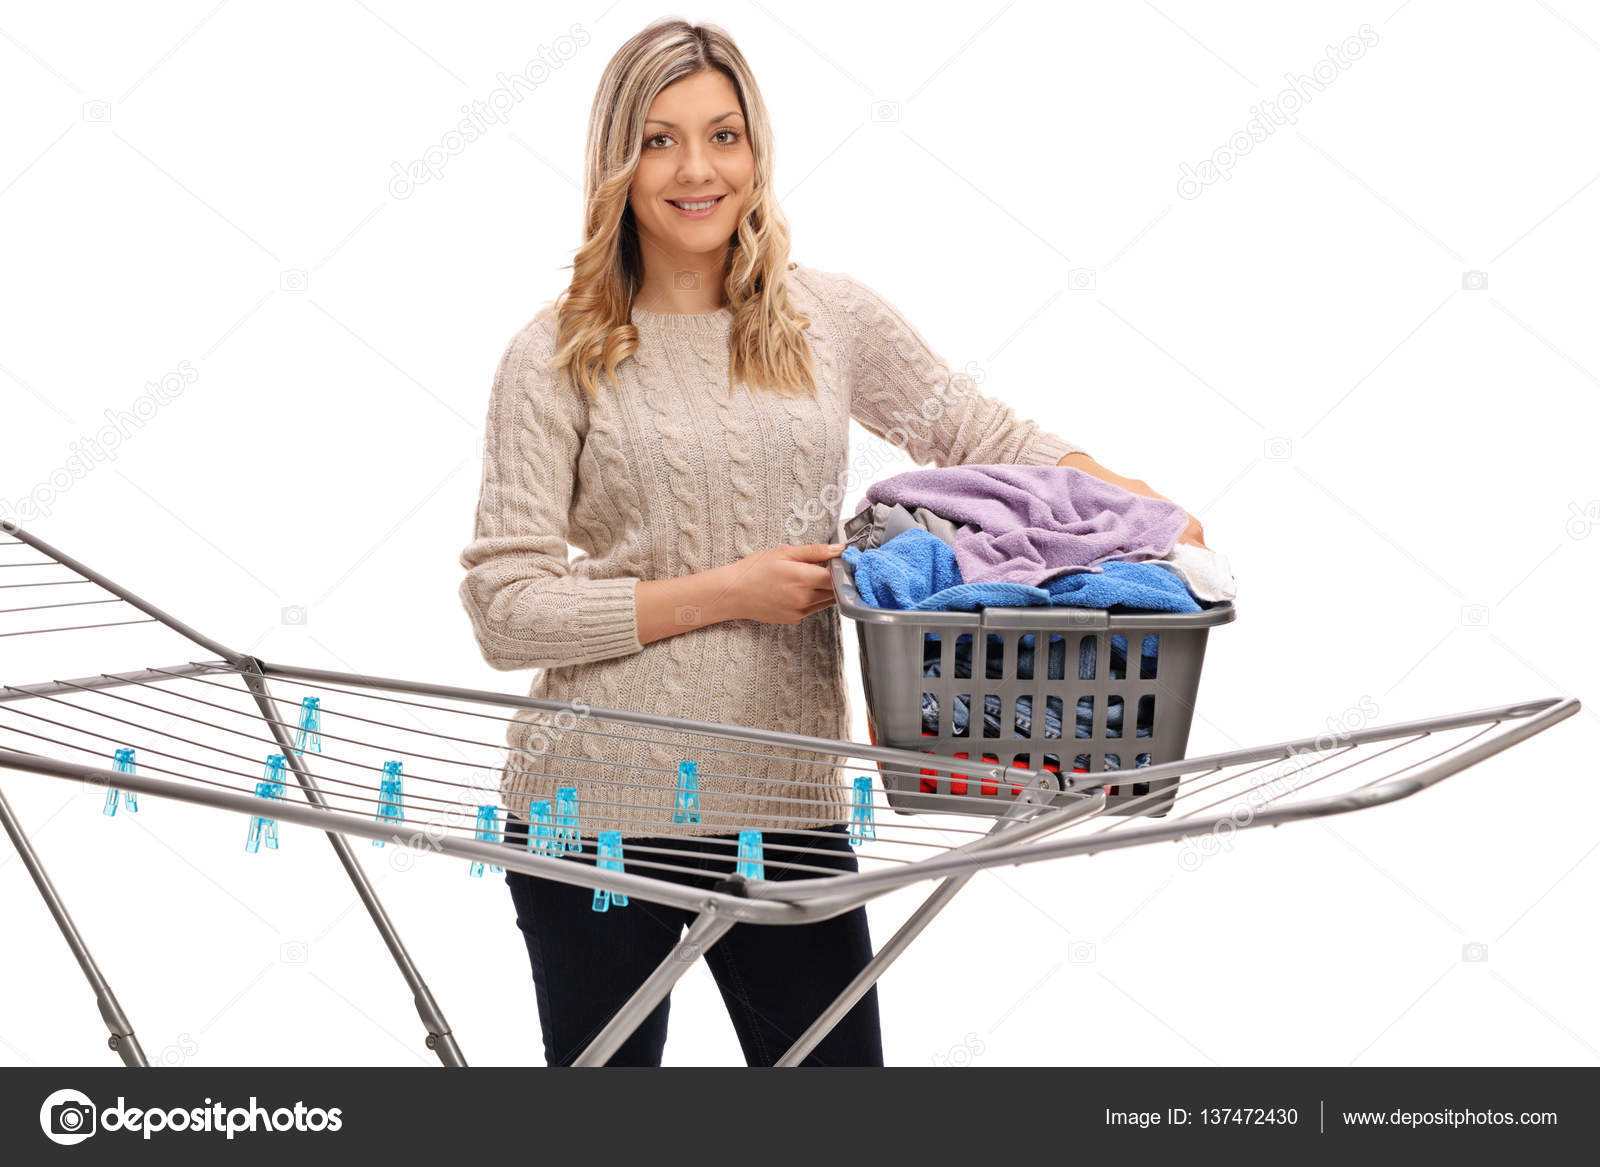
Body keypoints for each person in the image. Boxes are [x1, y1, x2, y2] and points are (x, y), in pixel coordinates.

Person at [458, 17, 1204, 1067]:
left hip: (785, 799)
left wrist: (1143, 508)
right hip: (593, 812)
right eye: (661, 140)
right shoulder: (554, 354)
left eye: (723, 135)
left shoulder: (825, 320)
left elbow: (978, 436)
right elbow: (504, 607)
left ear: (756, 149)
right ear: (617, 161)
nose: (696, 169)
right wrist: (729, 591)